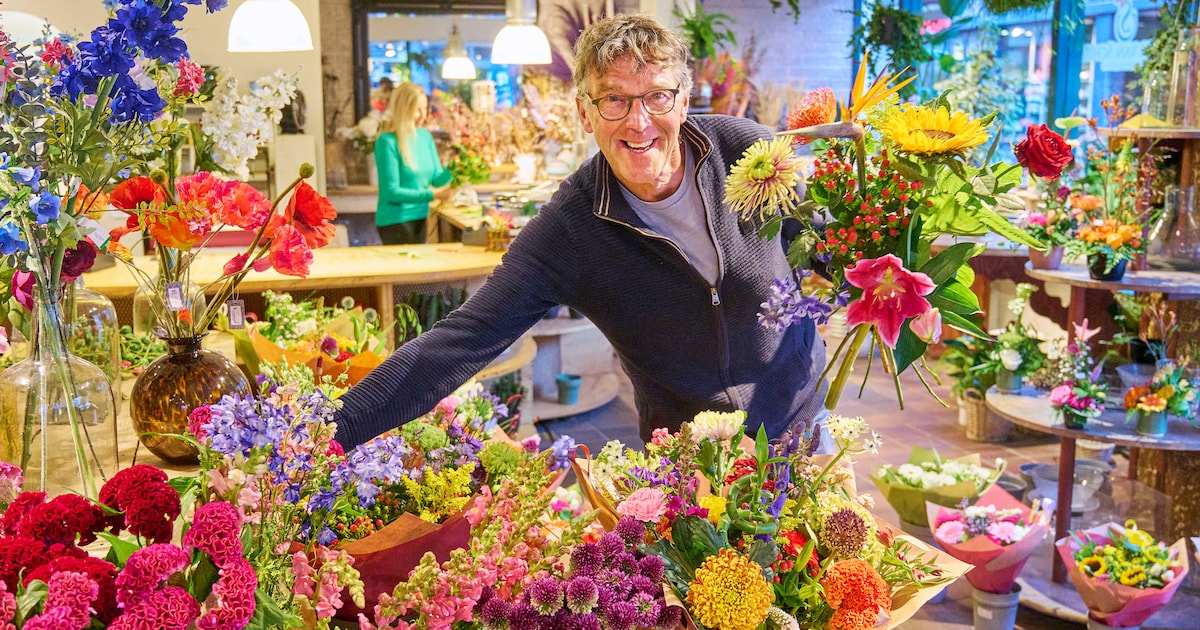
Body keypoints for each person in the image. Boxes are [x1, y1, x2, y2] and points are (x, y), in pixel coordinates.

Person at [335, 14, 827, 450]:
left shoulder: (753, 156)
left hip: (803, 429)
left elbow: (839, 245)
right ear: (584, 112)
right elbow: (463, 339)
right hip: (691, 467)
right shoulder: (571, 227)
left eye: (657, 95)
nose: (639, 122)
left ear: (683, 101)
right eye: (614, 98)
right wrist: (326, 435)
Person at [374, 82, 454, 245]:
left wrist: (457, 167)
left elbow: (437, 179)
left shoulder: (425, 137)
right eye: (417, 109)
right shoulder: (387, 142)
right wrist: (434, 195)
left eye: (425, 108)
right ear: (403, 110)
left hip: (420, 217)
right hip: (394, 222)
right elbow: (391, 192)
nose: (422, 115)